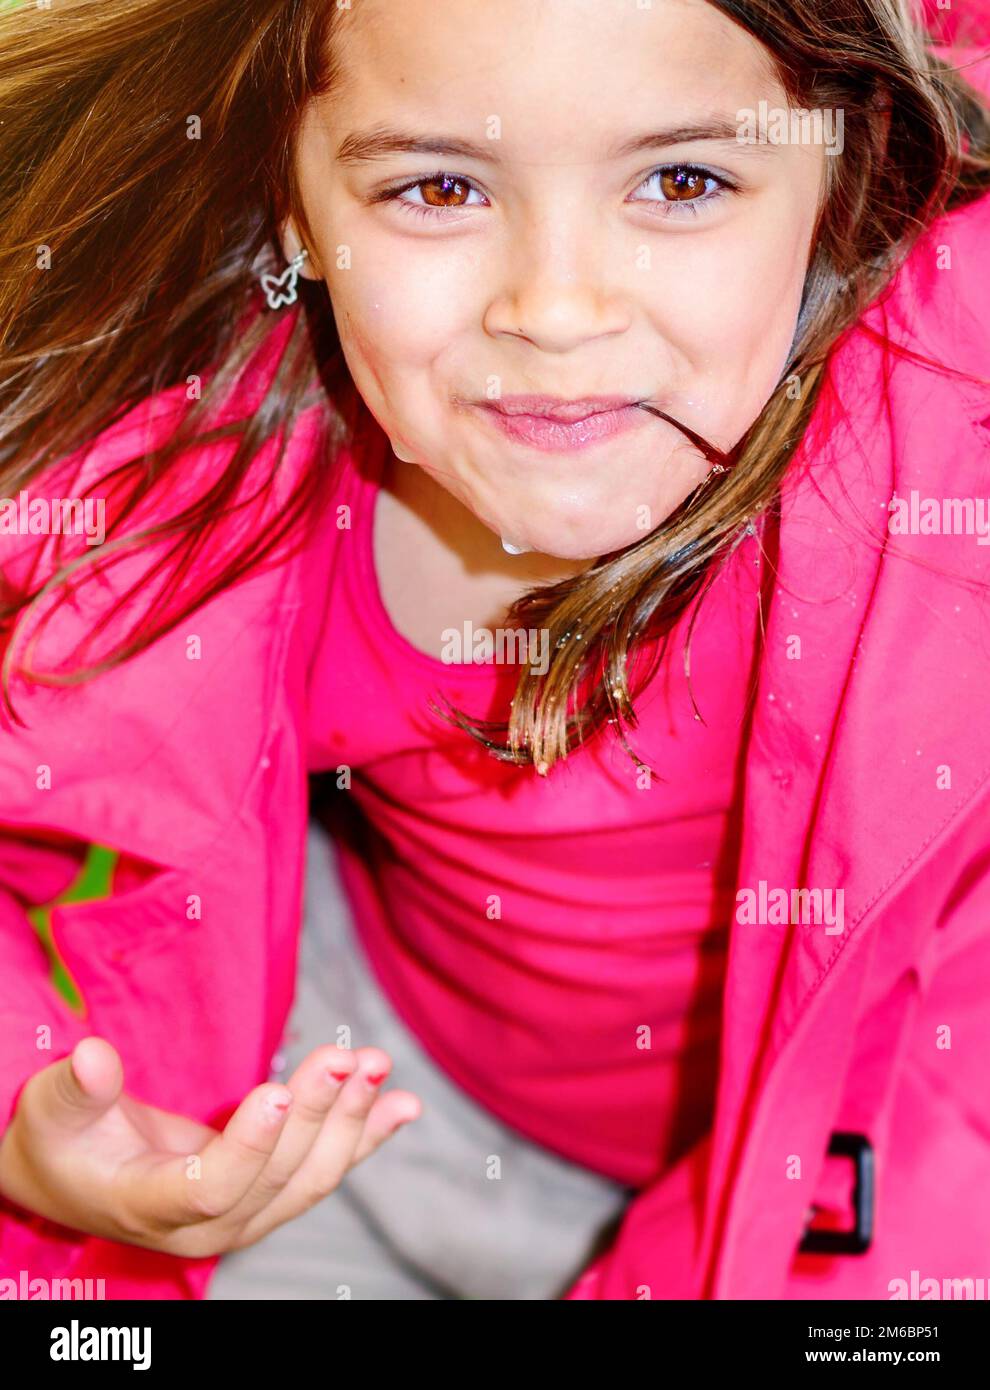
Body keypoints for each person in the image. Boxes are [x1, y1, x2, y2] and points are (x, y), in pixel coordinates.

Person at [0, 0, 989, 1301]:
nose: (555, 308)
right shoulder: (193, 494)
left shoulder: (940, 497)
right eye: (439, 186)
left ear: (840, 167)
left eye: (681, 180)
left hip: (840, 1163)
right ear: (296, 202)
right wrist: (33, 1117)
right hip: (335, 1103)